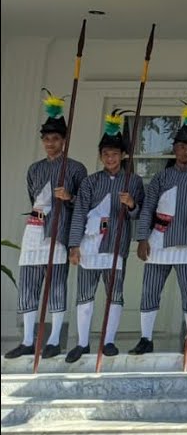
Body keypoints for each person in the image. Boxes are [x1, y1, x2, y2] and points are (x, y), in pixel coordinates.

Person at [131, 99, 187, 355]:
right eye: (182, 147)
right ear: (175, 148)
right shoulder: (162, 176)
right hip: (159, 239)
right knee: (150, 291)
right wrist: (142, 238)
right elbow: (147, 207)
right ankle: (146, 338)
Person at [9, 94, 89, 360]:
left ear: (63, 141)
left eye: (55, 138)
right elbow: (33, 198)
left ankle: (54, 339)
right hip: (34, 229)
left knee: (56, 286)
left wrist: (70, 197)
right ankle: (28, 339)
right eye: (46, 138)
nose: (50, 143)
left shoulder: (76, 168)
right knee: (29, 284)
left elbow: (83, 206)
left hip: (59, 231)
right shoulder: (34, 169)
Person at [64, 111, 143, 363]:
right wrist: (74, 245)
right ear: (101, 156)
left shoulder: (134, 181)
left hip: (115, 244)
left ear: (122, 155)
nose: (110, 158)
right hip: (89, 242)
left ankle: (108, 341)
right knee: (85, 295)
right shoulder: (89, 182)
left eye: (115, 153)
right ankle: (83, 342)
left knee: (115, 294)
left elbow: (139, 213)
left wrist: (131, 204)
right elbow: (78, 213)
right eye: (106, 154)